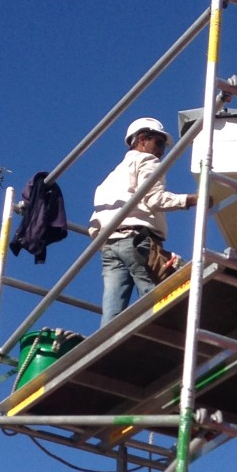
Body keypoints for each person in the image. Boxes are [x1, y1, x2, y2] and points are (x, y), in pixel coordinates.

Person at [88, 116, 195, 325]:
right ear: (143, 139)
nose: (162, 150)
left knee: (112, 312)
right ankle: (162, 337)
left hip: (109, 245)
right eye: (159, 142)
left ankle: (107, 348)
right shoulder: (147, 160)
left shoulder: (111, 177)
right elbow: (154, 198)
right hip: (136, 240)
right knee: (154, 296)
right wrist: (191, 200)